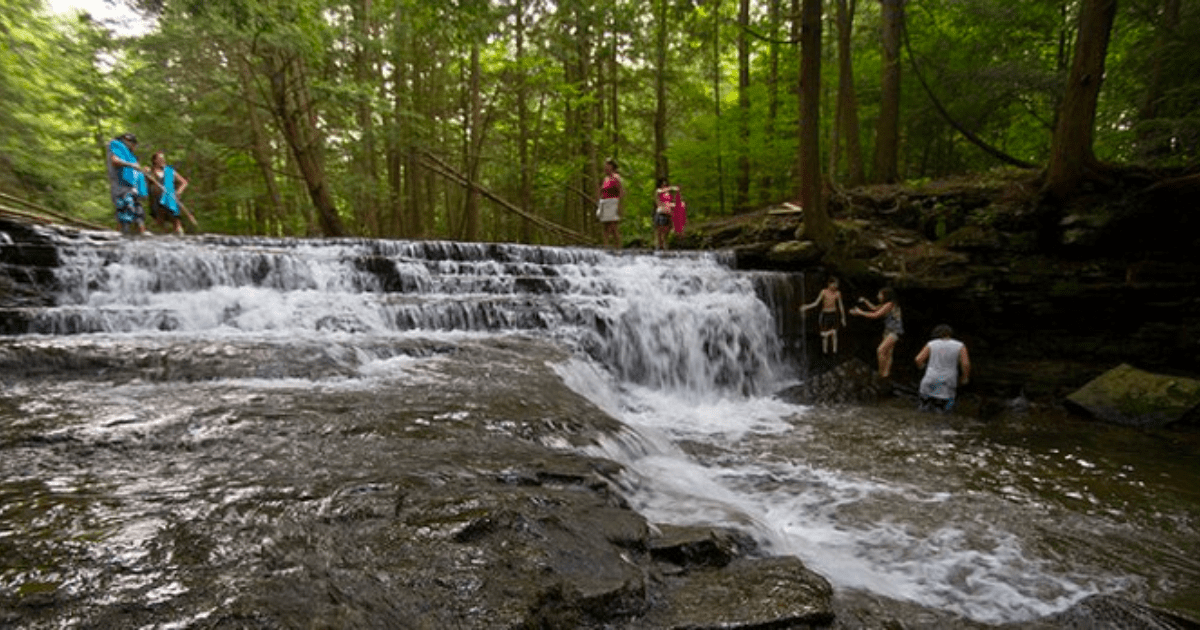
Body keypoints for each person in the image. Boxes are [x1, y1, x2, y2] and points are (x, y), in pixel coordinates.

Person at [914, 324, 971, 413]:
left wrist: (923, 368)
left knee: (923, 409)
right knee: (945, 411)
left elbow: (918, 359)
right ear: (949, 334)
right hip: (948, 381)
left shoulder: (931, 344)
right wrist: (965, 377)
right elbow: (965, 364)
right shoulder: (960, 345)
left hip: (930, 378)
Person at [849, 287, 902, 378]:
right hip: (889, 331)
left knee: (880, 350)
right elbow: (874, 308)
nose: (878, 296)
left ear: (886, 296)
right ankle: (886, 374)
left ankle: (881, 374)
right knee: (888, 353)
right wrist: (865, 301)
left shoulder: (890, 304)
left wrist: (860, 312)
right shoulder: (887, 304)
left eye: (880, 294)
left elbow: (875, 315)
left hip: (894, 332)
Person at [106, 132, 147, 235]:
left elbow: (135, 172)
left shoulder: (129, 155)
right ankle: (119, 238)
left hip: (132, 188)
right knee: (125, 213)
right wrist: (131, 165)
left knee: (139, 214)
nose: (134, 147)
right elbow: (115, 161)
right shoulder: (116, 147)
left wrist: (143, 172)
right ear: (127, 140)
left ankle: (143, 237)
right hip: (121, 187)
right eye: (133, 144)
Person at [146, 151, 190, 235]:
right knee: (160, 222)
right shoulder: (151, 172)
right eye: (160, 159)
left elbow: (184, 182)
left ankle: (180, 236)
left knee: (176, 221)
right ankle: (164, 239)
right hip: (157, 201)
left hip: (170, 200)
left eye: (163, 159)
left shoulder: (170, 171)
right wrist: (147, 174)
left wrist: (178, 192)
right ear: (155, 161)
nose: (163, 160)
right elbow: (145, 183)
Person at [800, 276, 847, 354]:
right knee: (825, 335)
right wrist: (806, 307)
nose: (835, 286)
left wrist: (843, 317)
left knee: (834, 334)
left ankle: (834, 351)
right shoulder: (823, 292)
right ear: (829, 284)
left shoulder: (838, 293)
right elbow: (816, 303)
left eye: (836, 285)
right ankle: (824, 352)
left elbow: (841, 306)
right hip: (825, 314)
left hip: (833, 314)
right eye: (834, 284)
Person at [596, 158, 623, 249]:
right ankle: (606, 247)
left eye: (607, 165)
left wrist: (619, 205)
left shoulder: (616, 177)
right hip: (605, 202)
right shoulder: (605, 178)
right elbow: (601, 190)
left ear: (612, 166)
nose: (605, 167)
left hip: (613, 202)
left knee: (612, 227)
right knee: (605, 227)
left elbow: (621, 191)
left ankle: (617, 247)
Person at [653, 177, 678, 251]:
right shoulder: (658, 191)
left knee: (667, 230)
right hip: (661, 212)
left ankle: (664, 245)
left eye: (665, 184)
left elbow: (670, 202)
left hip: (669, 213)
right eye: (663, 184)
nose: (664, 185)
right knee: (660, 231)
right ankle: (660, 246)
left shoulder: (668, 194)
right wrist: (671, 188)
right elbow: (659, 192)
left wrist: (674, 205)